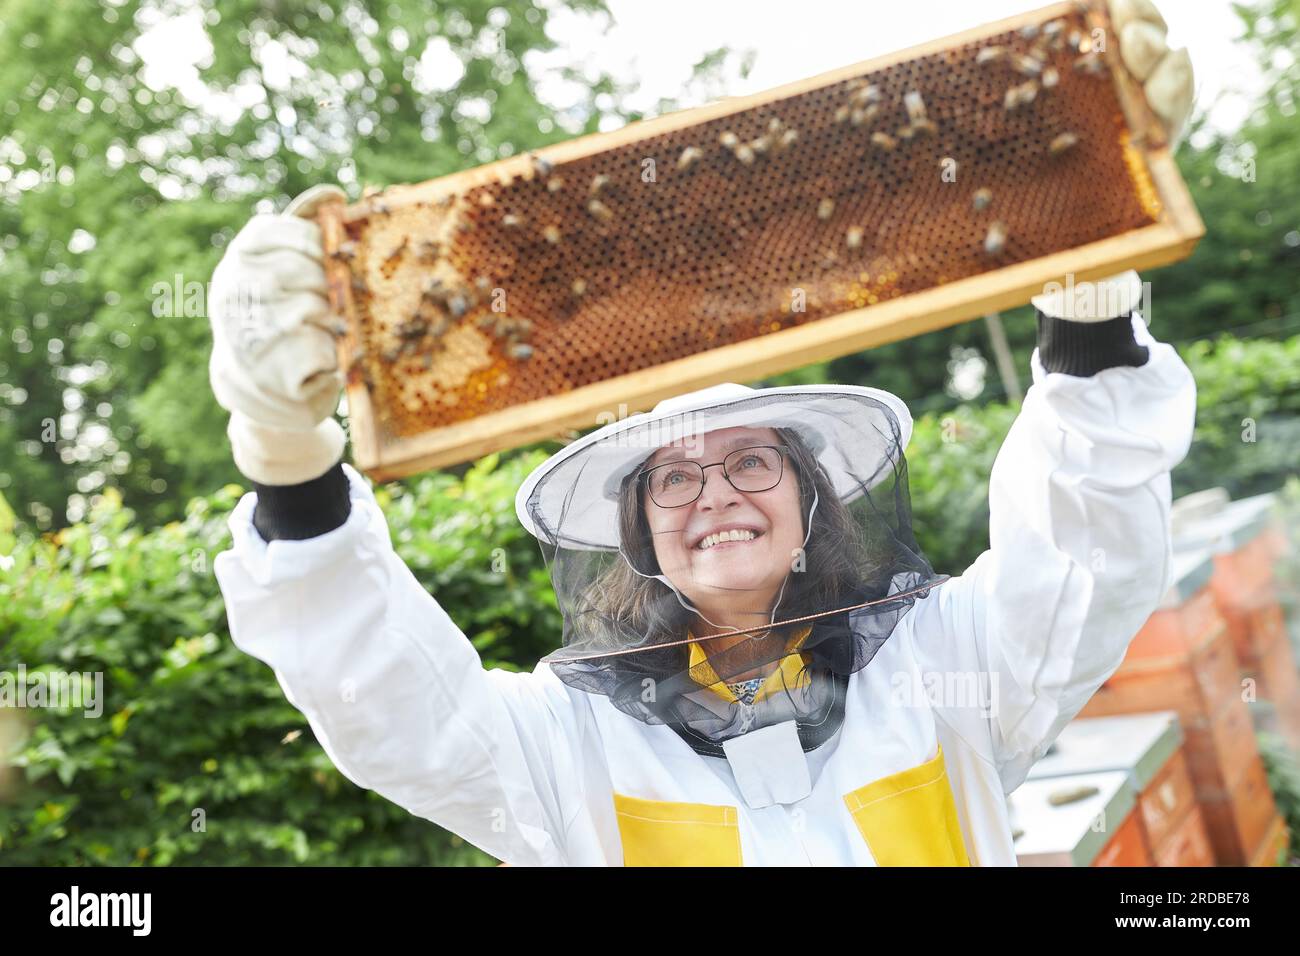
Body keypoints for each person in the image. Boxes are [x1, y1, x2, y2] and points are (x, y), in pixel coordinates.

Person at [207, 1, 1197, 865]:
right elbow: (393, 710)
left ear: (809, 501)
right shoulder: (566, 744)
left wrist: (1091, 290)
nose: (715, 493)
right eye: (671, 480)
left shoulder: (947, 668)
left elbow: (1085, 562)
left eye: (751, 461)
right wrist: (288, 464)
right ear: (639, 532)